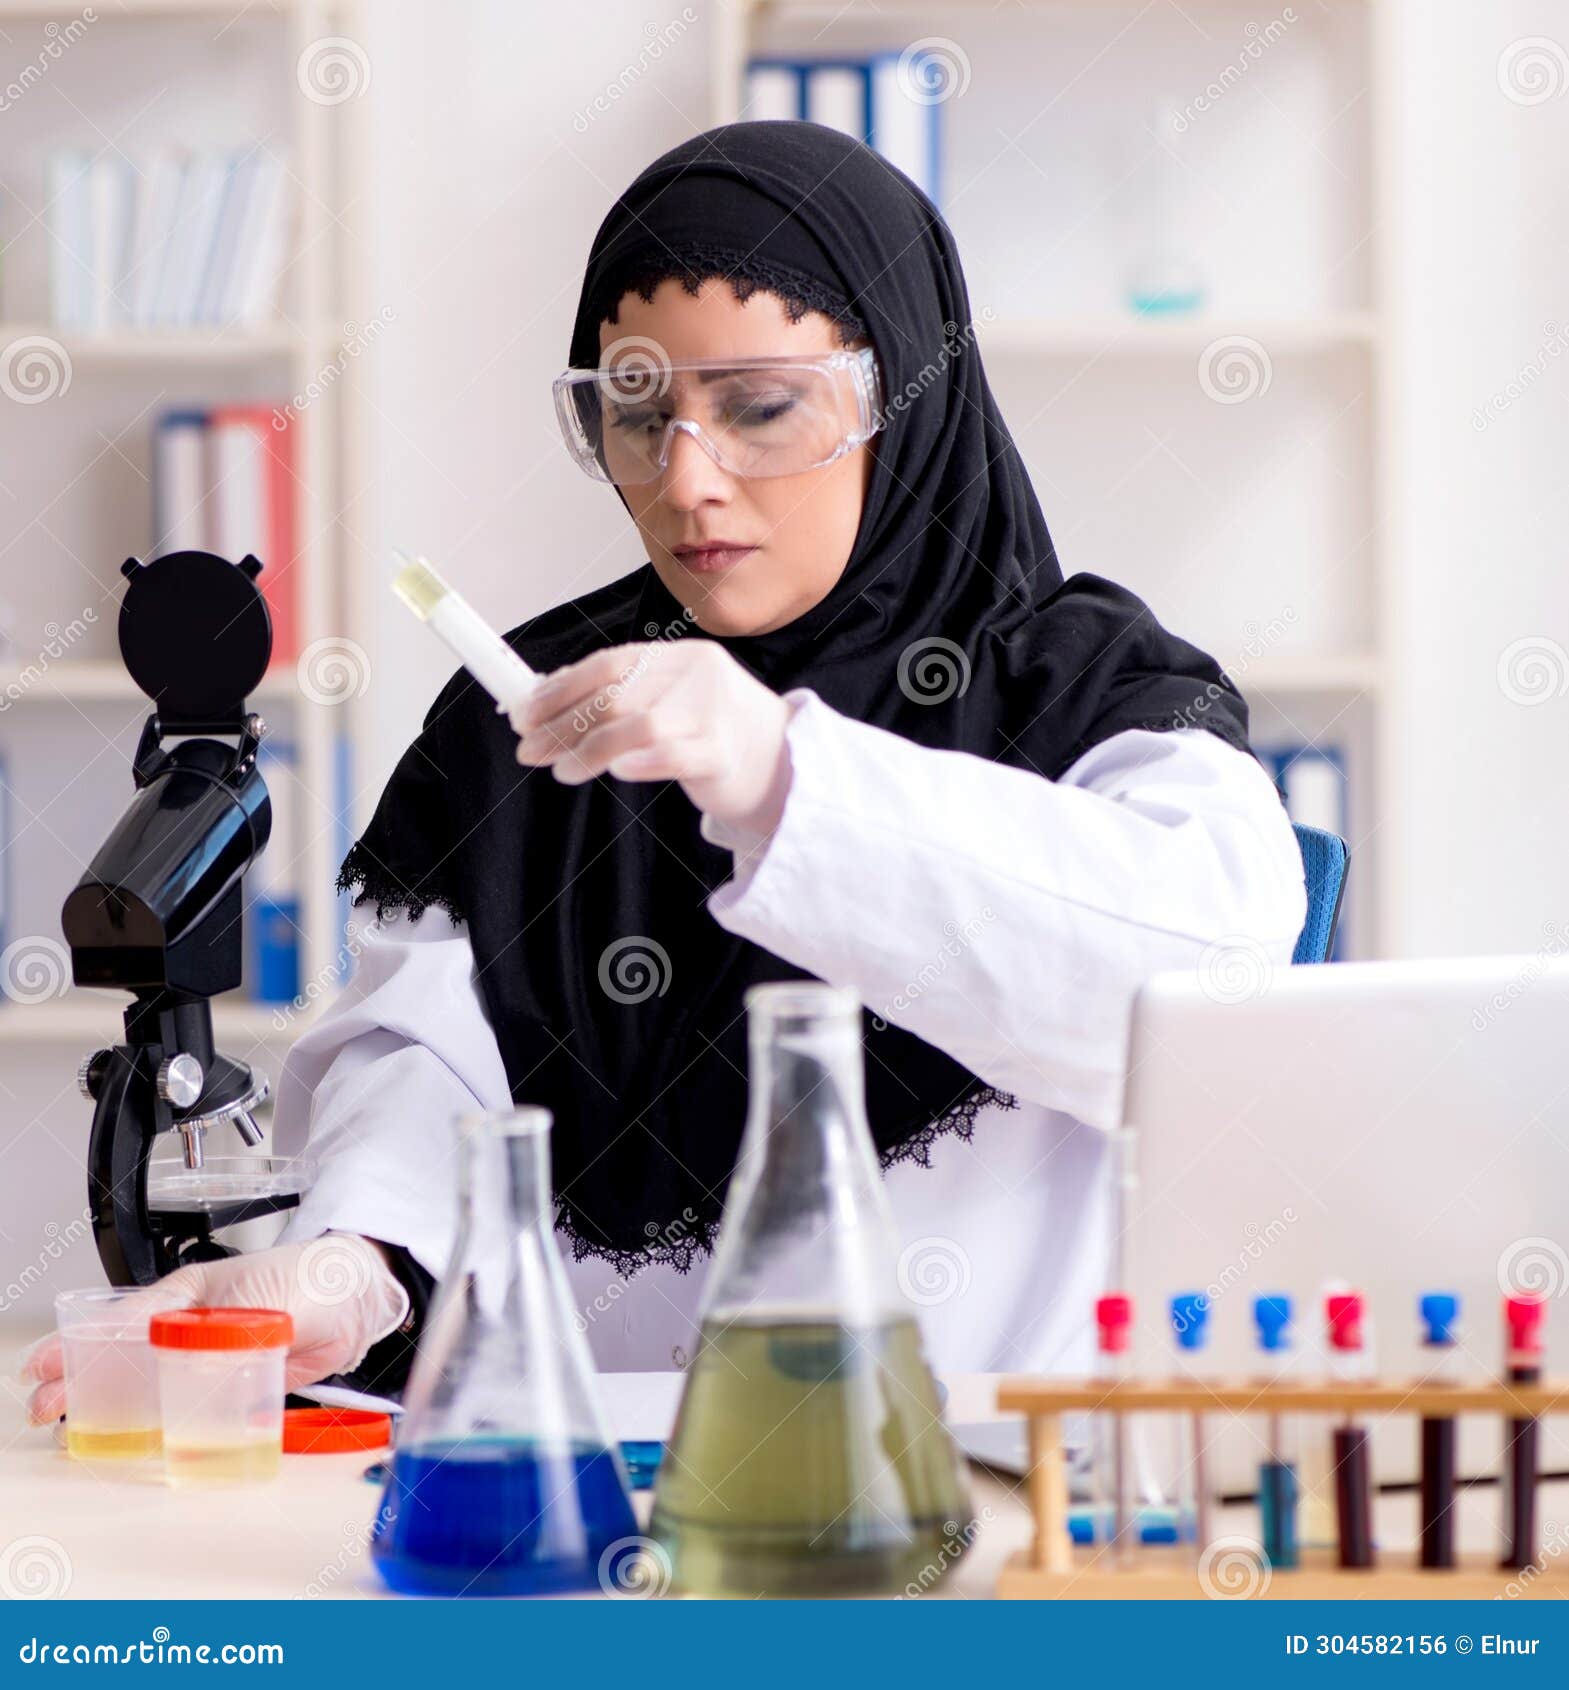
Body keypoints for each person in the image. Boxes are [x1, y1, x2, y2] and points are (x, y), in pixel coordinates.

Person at [24, 122, 1304, 1425]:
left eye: (758, 408)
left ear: (903, 395)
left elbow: (1204, 982)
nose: (687, 479)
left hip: (970, 1478)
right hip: (591, 1474)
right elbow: (430, 1048)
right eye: (636, 415)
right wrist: (362, 1256)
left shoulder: (1085, 686)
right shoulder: (544, 700)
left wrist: (782, 780)